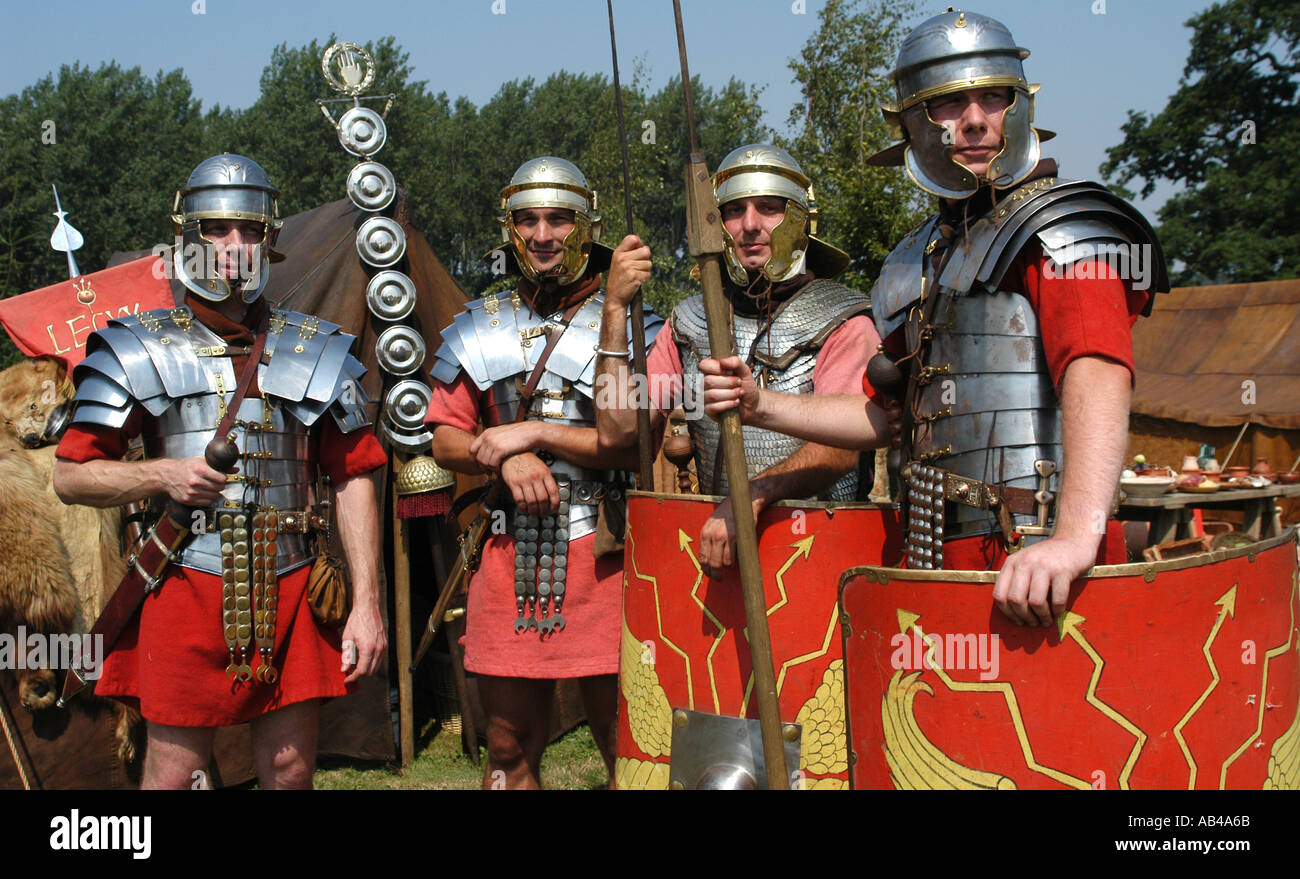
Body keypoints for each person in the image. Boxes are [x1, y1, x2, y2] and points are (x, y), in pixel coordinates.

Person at [703, 9, 1168, 627]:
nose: (975, 120)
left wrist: (1075, 536)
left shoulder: (1064, 230)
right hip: (932, 549)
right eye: (947, 104)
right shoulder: (919, 258)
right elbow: (883, 416)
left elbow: (1098, 370)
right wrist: (761, 404)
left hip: (1037, 558)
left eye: (993, 97)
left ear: (1021, 105)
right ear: (910, 125)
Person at [53, 154, 388, 789]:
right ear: (186, 235)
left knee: (290, 772)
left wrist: (367, 603)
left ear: (271, 238)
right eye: (216, 228)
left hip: (292, 580)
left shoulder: (316, 347)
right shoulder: (136, 347)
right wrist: (163, 476)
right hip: (184, 578)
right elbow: (72, 476)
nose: (234, 246)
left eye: (250, 229)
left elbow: (355, 475)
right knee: (174, 775)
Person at [425, 156, 663, 789]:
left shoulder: (645, 327)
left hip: (611, 551)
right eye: (527, 220)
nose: (543, 234)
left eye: (559, 219)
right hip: (508, 550)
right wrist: (504, 451)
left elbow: (630, 443)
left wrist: (533, 432)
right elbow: (443, 436)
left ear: (589, 225)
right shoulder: (478, 325)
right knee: (507, 747)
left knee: (632, 750)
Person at [596, 144, 882, 579]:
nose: (750, 225)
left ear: (803, 219)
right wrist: (615, 308)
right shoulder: (690, 324)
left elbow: (841, 448)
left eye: (769, 209)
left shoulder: (843, 320)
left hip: (822, 552)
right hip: (721, 558)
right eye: (733, 211)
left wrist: (755, 493)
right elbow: (618, 429)